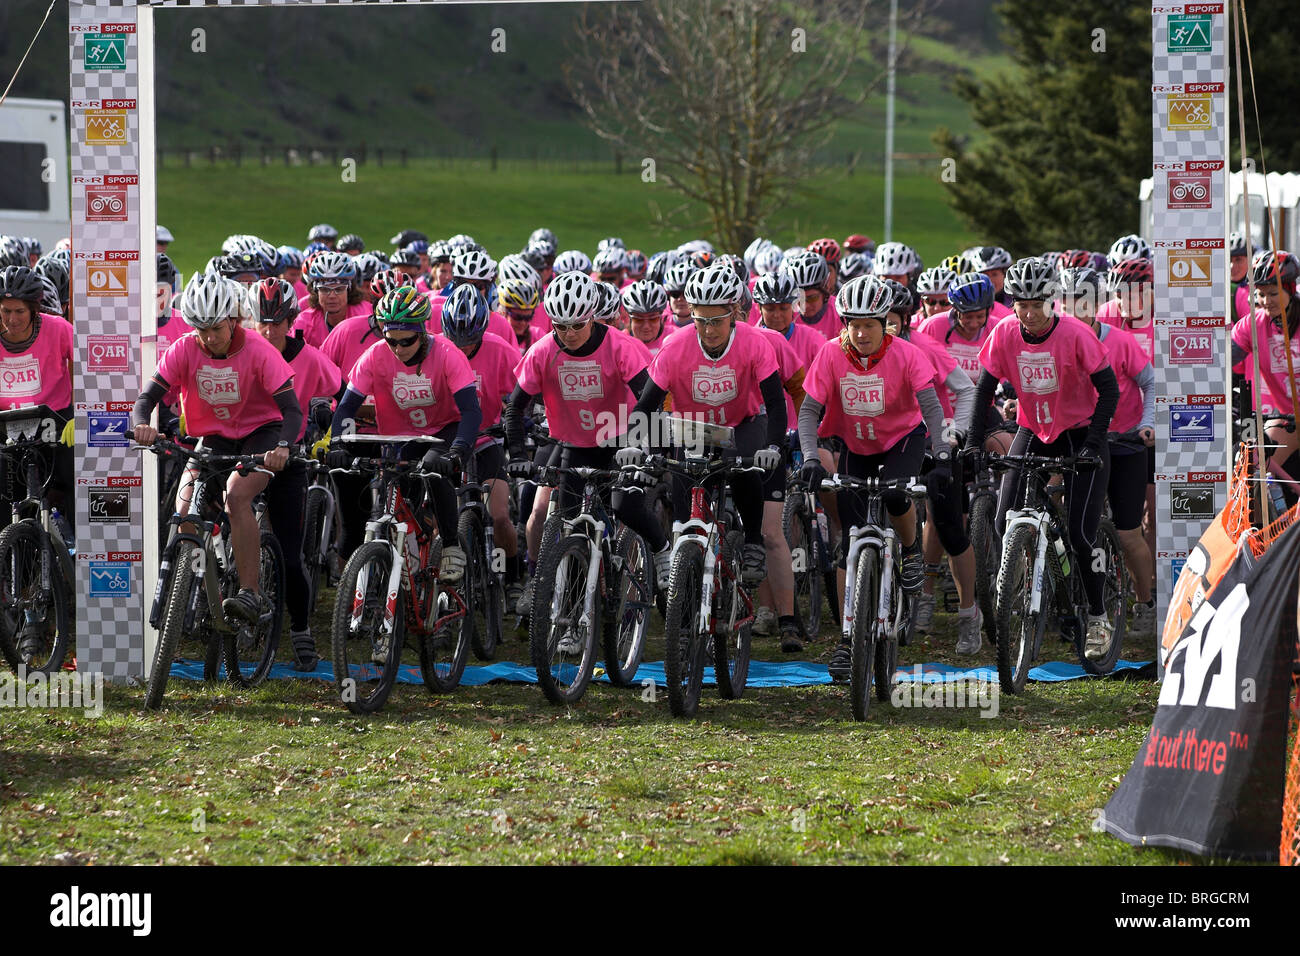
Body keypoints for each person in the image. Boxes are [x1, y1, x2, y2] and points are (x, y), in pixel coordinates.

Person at [960, 257, 1120, 662]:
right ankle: (1029, 579)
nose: (1029, 314)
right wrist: (975, 442)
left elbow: (1110, 392)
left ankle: (1099, 615)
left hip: (1082, 432)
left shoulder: (1076, 334)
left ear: (1052, 301)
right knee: (1002, 519)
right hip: (1035, 430)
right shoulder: (1004, 333)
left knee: (1082, 536)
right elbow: (983, 392)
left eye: (1037, 304)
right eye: (1021, 304)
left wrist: (1092, 444)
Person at [629, 264, 794, 650]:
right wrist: (638, 444)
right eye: (701, 320)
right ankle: (685, 624)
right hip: (694, 430)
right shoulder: (674, 347)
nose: (709, 330)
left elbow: (775, 402)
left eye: (717, 320)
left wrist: (772, 446)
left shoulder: (755, 342)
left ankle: (751, 541)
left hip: (744, 422)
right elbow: (647, 405)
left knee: (748, 463)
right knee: (689, 524)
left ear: (735, 313)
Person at [797, 275, 947, 681]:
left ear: (886, 323)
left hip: (902, 439)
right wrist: (811, 457)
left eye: (869, 325)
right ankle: (849, 640)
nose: (861, 333)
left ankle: (912, 553)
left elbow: (931, 408)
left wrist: (944, 450)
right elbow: (809, 412)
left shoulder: (907, 354)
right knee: (850, 541)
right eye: (853, 324)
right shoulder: (830, 354)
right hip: (855, 448)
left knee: (898, 497)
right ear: (844, 323)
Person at [132, 272, 302, 627]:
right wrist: (142, 424)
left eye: (217, 329)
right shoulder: (184, 347)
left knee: (236, 495)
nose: (210, 338)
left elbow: (291, 411)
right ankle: (187, 591)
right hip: (214, 435)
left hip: (262, 433)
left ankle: (250, 593)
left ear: (234, 320)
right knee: (184, 508)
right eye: (201, 329)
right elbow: (147, 398)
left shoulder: (257, 348)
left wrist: (283, 447)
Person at [503, 271, 672, 611]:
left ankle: (662, 550)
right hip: (575, 445)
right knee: (570, 527)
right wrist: (519, 453)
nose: (569, 334)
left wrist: (650, 450)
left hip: (620, 444)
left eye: (577, 325)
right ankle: (573, 615)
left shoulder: (621, 346)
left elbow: (649, 402)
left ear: (592, 316)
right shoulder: (543, 351)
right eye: (560, 326)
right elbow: (514, 408)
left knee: (625, 505)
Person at [330, 287, 483, 585]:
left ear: (422, 332)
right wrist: (338, 442)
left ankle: (451, 543)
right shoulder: (374, 356)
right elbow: (346, 406)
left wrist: (459, 450)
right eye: (390, 341)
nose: (398, 349)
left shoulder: (448, 353)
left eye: (407, 341)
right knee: (397, 499)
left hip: (442, 431)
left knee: (433, 468)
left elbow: (471, 411)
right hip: (400, 438)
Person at [251, 278, 344, 669]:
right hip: (245, 450)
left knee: (290, 556)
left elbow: (343, 391)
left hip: (289, 457)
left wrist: (327, 426)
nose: (270, 331)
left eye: (278, 323)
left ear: (292, 320)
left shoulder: (309, 357)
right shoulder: (242, 350)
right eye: (262, 322)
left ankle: (301, 628)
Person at [1060, 266, 1156, 637]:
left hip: (1125, 442)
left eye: (1085, 303)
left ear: (1099, 305)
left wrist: (1147, 422)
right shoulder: (1059, 340)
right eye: (1069, 303)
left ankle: (1145, 602)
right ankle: (1075, 605)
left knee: (1129, 531)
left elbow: (1149, 380)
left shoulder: (1120, 341)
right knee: (1077, 528)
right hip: (1081, 442)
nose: (1077, 310)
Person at [441, 284, 524, 609]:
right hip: (447, 440)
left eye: (470, 341)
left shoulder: (501, 350)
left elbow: (523, 392)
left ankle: (513, 575)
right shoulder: (435, 349)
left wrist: (518, 419)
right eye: (455, 341)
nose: (462, 348)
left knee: (500, 514)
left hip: (485, 438)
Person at [1231, 251, 1300, 503]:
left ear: (1291, 290)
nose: (1266, 301)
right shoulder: (1254, 324)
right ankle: (1267, 533)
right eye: (1260, 294)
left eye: (1273, 293)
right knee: (1250, 469)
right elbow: (1224, 363)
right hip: (1287, 419)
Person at [293, 252, 370, 347]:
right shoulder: (302, 323)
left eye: (339, 289)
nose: (332, 295)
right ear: (315, 291)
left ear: (349, 289)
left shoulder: (367, 314)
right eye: (325, 289)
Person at [786, 251, 840, 341]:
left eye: (812, 298)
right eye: (799, 298)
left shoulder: (839, 314)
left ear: (825, 292)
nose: (805, 305)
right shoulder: (785, 312)